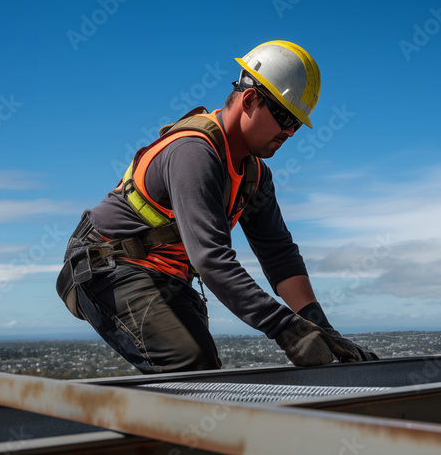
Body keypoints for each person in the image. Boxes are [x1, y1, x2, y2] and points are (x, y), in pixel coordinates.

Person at [56, 40, 378, 373]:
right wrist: (287, 329)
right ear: (250, 100)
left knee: (204, 374)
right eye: (284, 116)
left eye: (296, 123)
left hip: (163, 275)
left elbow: (279, 256)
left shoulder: (254, 176)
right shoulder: (194, 154)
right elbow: (211, 259)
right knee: (190, 364)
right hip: (107, 266)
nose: (289, 132)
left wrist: (322, 329)